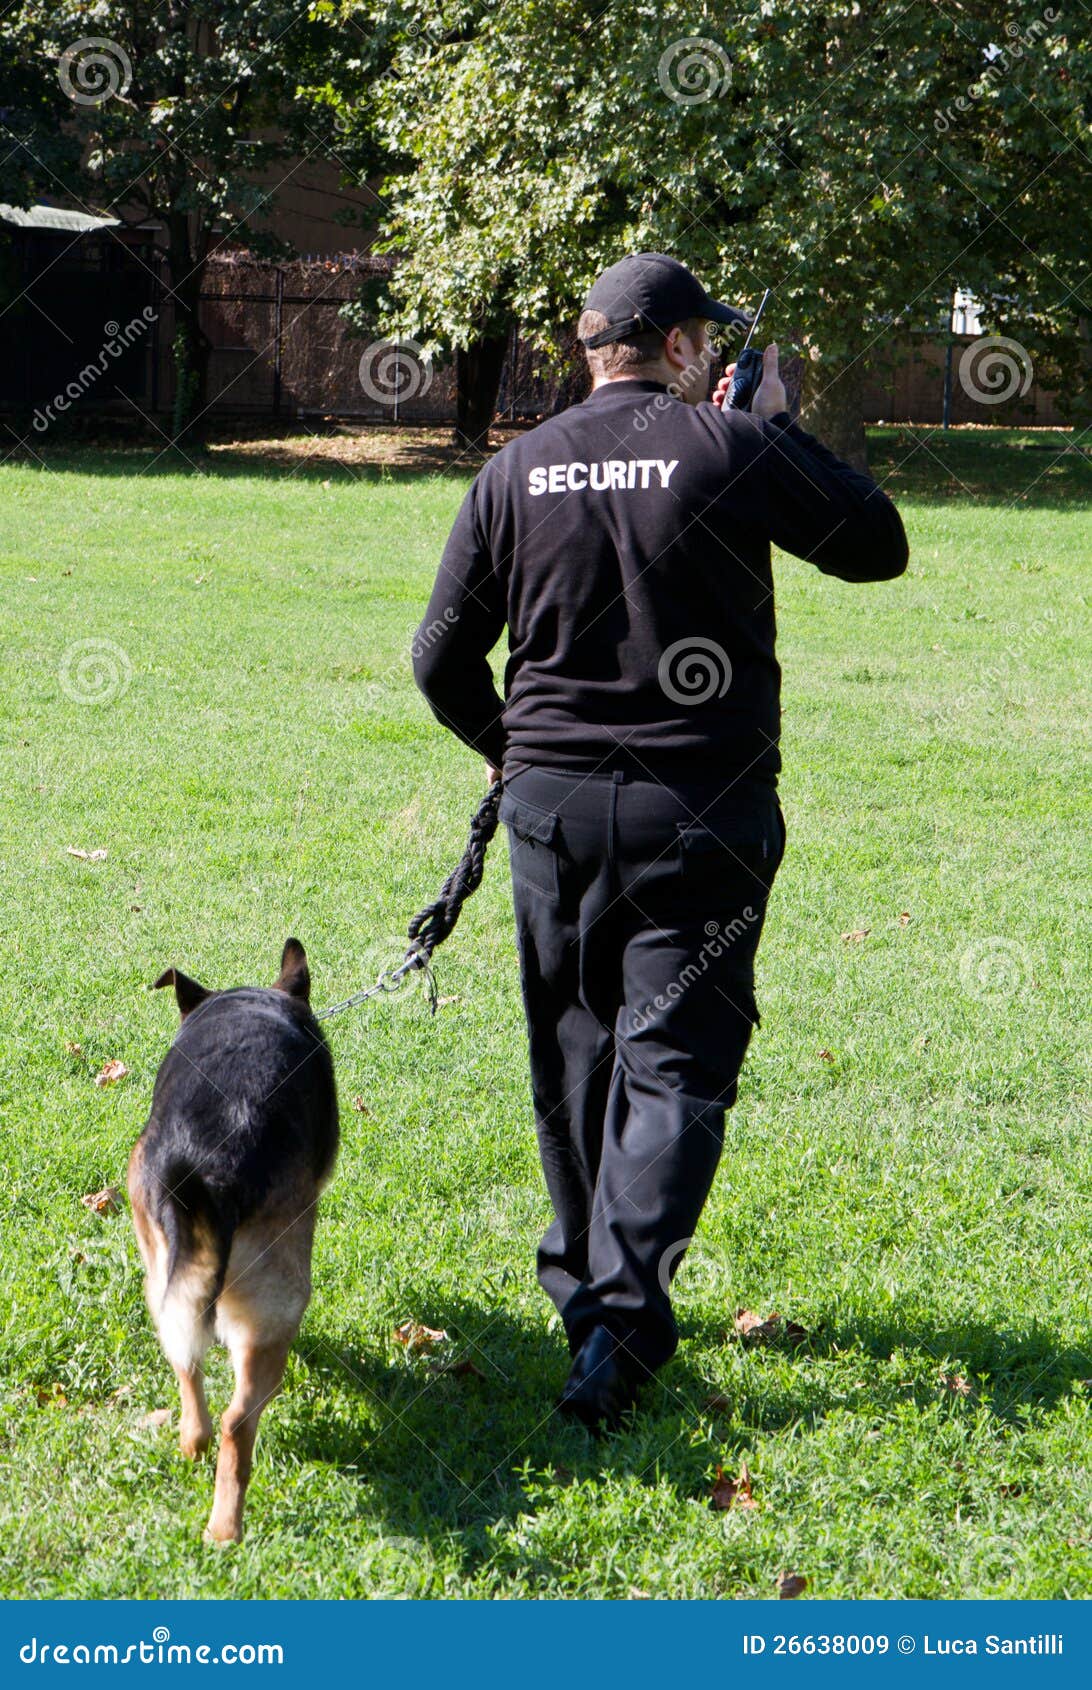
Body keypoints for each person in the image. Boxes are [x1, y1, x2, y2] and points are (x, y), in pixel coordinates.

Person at [413, 253, 908, 1430]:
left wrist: (506, 748)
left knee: (577, 1053)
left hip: (553, 809)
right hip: (702, 812)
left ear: (594, 352)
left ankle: (590, 1298)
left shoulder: (512, 471)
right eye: (710, 344)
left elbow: (439, 659)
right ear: (682, 348)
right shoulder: (731, 446)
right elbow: (876, 543)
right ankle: (621, 1334)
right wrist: (777, 428)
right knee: (676, 1063)